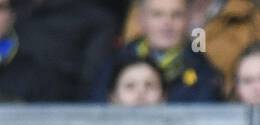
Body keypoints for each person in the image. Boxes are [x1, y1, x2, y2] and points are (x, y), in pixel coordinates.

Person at [91, 0, 222, 102]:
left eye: (176, 15)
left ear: (187, 21)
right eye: (157, 14)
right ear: (141, 20)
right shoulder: (113, 66)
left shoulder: (204, 73)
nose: (167, 23)